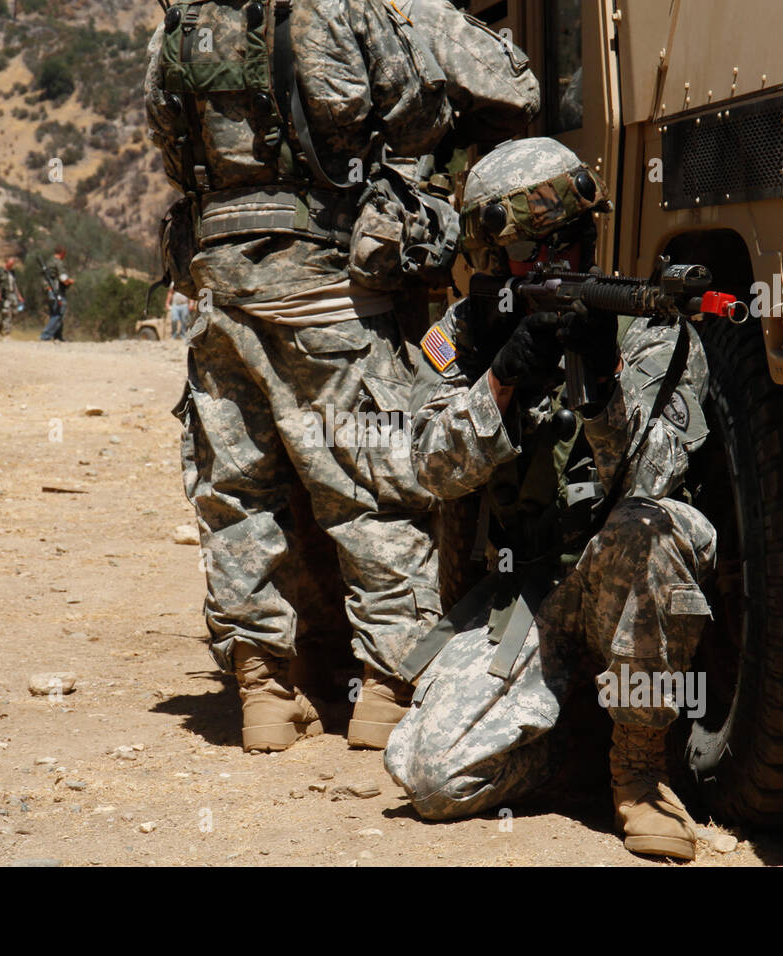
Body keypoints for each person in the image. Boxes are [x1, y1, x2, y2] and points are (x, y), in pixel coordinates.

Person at [144, 0, 535, 753]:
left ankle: (264, 692)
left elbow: (171, 147)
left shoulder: (178, 23)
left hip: (218, 288)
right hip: (331, 287)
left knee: (235, 495)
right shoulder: (344, 9)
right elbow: (458, 103)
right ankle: (385, 694)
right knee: (373, 486)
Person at [382, 138, 717, 861]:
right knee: (431, 778)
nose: (557, 261)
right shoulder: (466, 335)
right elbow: (431, 471)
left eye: (570, 239)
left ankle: (638, 774)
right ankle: (577, 752)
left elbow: (652, 480)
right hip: (525, 597)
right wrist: (502, 378)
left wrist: (601, 387)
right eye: (533, 250)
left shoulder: (647, 328)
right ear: (495, 260)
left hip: (620, 579)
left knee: (650, 528)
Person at [40, 246, 74, 342]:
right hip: (57, 291)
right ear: (62, 253)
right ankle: (45, 336)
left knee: (54, 313)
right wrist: (69, 281)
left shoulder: (49, 261)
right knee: (59, 313)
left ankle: (58, 336)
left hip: (49, 291)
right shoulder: (58, 263)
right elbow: (63, 278)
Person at [0, 257, 22, 337]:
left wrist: (19, 295)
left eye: (13, 264)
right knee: (6, 313)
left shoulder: (12, 272)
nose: (11, 265)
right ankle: (6, 332)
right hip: (4, 296)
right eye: (10, 264)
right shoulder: (0, 272)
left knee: (14, 313)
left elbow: (15, 285)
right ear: (6, 262)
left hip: (13, 296)